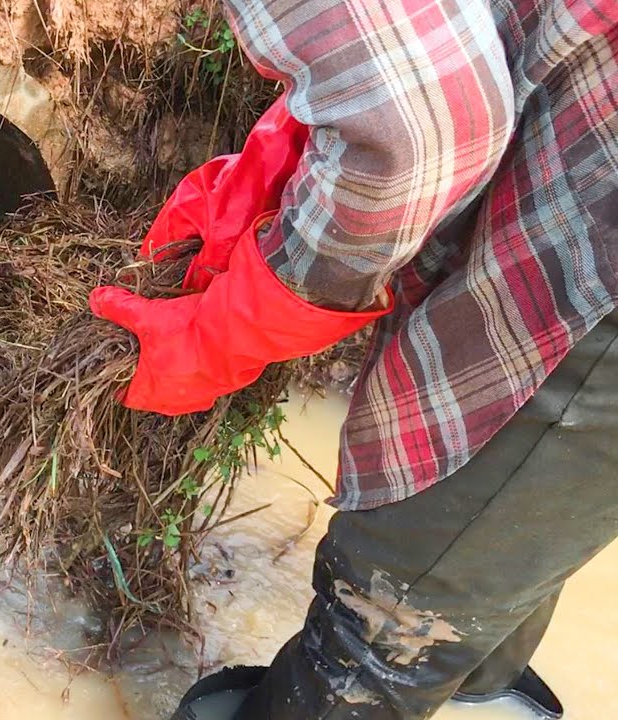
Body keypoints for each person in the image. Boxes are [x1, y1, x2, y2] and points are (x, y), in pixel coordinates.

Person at [88, 0, 618, 718]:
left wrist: (227, 330)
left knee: (391, 619)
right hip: (577, 140)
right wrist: (294, 144)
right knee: (491, 574)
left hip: (596, 268)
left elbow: (420, 130)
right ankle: (479, 693)